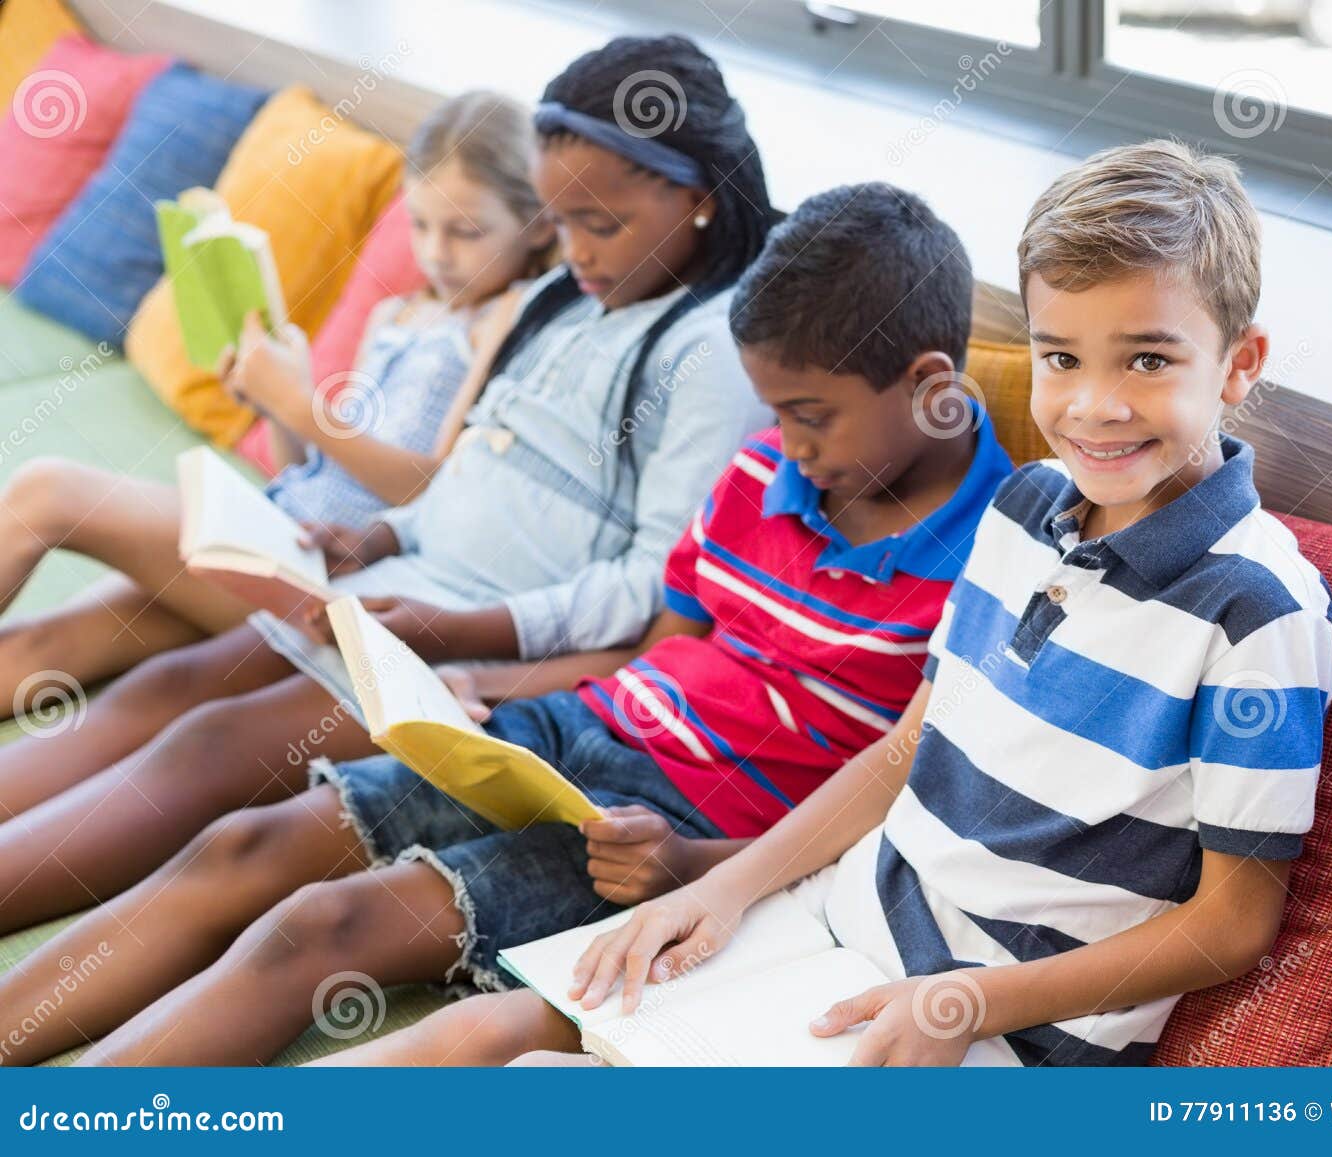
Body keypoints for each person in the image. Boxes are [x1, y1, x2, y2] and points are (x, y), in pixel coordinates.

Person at [2, 183, 1015, 1067]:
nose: (786, 443)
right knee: (240, 845)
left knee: (320, 924)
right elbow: (657, 649)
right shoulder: (767, 475)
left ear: (930, 388)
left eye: (810, 415)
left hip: (674, 829)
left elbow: (899, 805)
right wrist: (495, 692)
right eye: (774, 413)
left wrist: (691, 870)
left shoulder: (1000, 560)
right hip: (566, 734)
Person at [443, 139, 1332, 1068]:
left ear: (1239, 365)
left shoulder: (1258, 612)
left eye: (1148, 360)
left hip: (995, 1028)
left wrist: (966, 1000)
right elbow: (909, 744)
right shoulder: (1023, 507)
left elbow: (1235, 924)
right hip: (838, 924)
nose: (1095, 406)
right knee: (490, 1033)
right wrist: (724, 889)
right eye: (1062, 357)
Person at [0, 35, 775, 942]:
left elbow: (653, 585)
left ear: (702, 202)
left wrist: (463, 638)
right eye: (561, 223)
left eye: (600, 225)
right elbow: (470, 475)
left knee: (205, 758)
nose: (575, 252)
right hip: (394, 597)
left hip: (468, 652)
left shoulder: (710, 352)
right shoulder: (566, 296)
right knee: (164, 692)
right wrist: (381, 537)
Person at [0, 90, 555, 712]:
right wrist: (274, 403)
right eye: (421, 225)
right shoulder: (396, 313)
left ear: (536, 224)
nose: (437, 252)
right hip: (277, 524)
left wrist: (295, 403)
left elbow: (429, 490)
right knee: (41, 648)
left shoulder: (506, 318)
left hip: (326, 573)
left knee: (48, 491)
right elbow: (307, 470)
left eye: (467, 230)